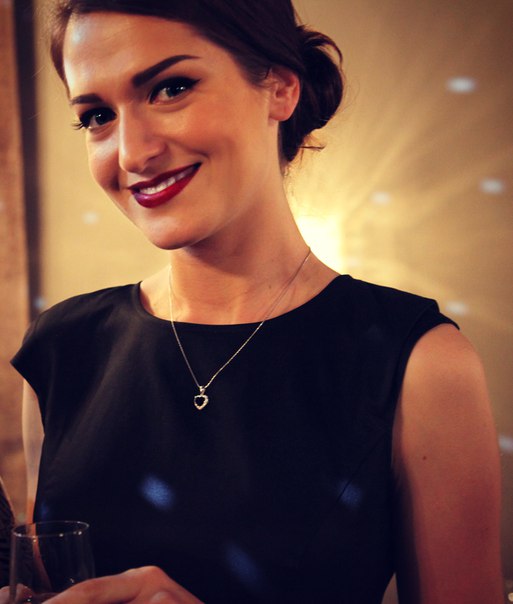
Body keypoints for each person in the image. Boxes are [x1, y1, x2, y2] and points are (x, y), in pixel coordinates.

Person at [9, 0, 503, 602]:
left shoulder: (419, 363)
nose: (132, 153)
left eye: (171, 88)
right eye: (96, 116)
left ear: (280, 88)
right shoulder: (59, 346)